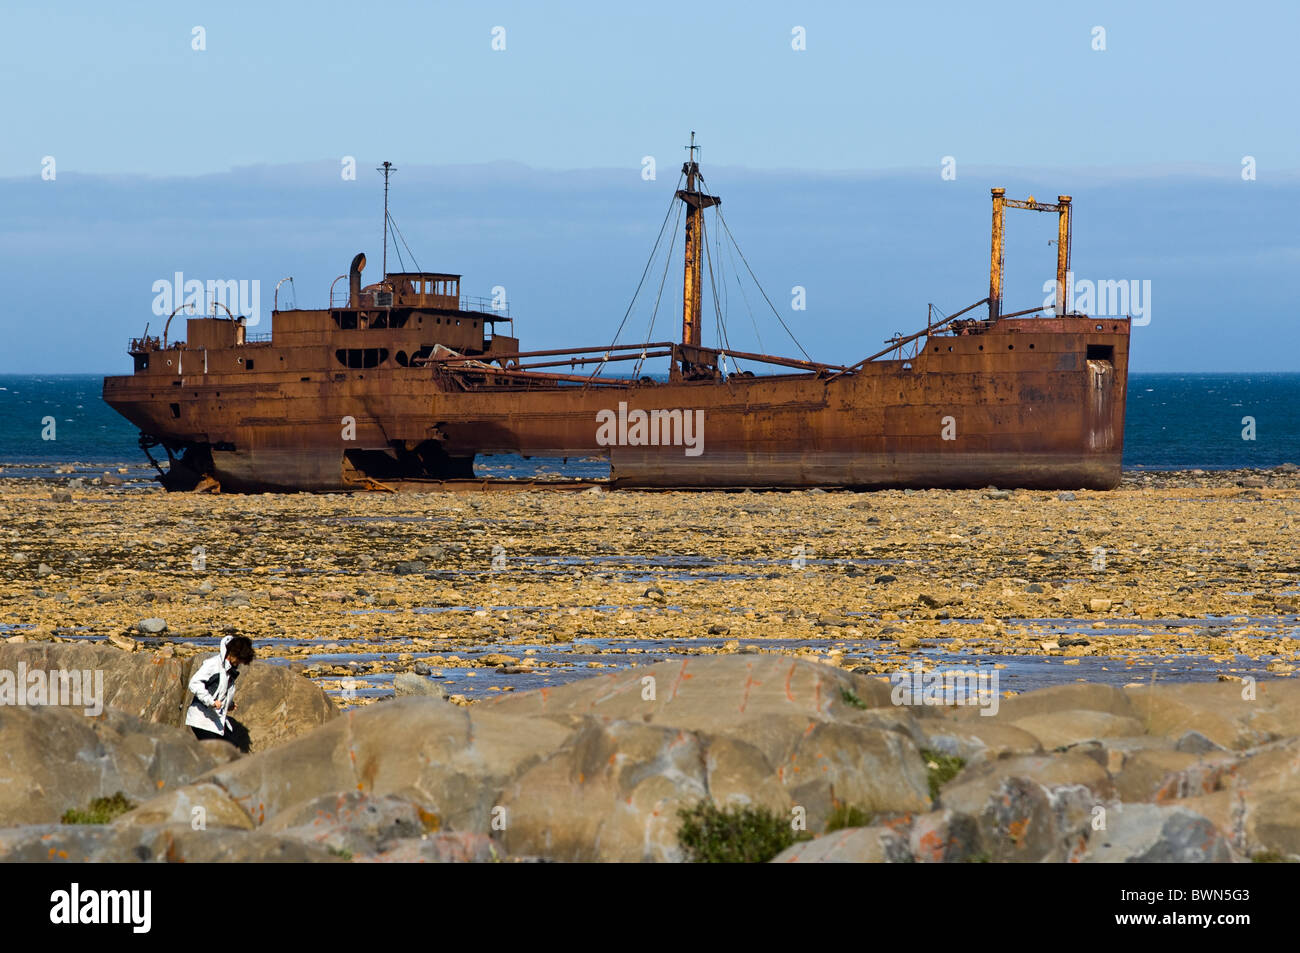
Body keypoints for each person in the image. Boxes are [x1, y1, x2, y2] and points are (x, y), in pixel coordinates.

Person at [185, 634, 254, 746]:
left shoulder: (230, 669)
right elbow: (194, 683)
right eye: (239, 660)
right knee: (218, 751)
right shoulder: (213, 664)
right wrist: (211, 701)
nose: (239, 663)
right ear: (232, 653)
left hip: (214, 720)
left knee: (230, 747)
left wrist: (229, 704)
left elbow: (221, 691)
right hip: (201, 719)